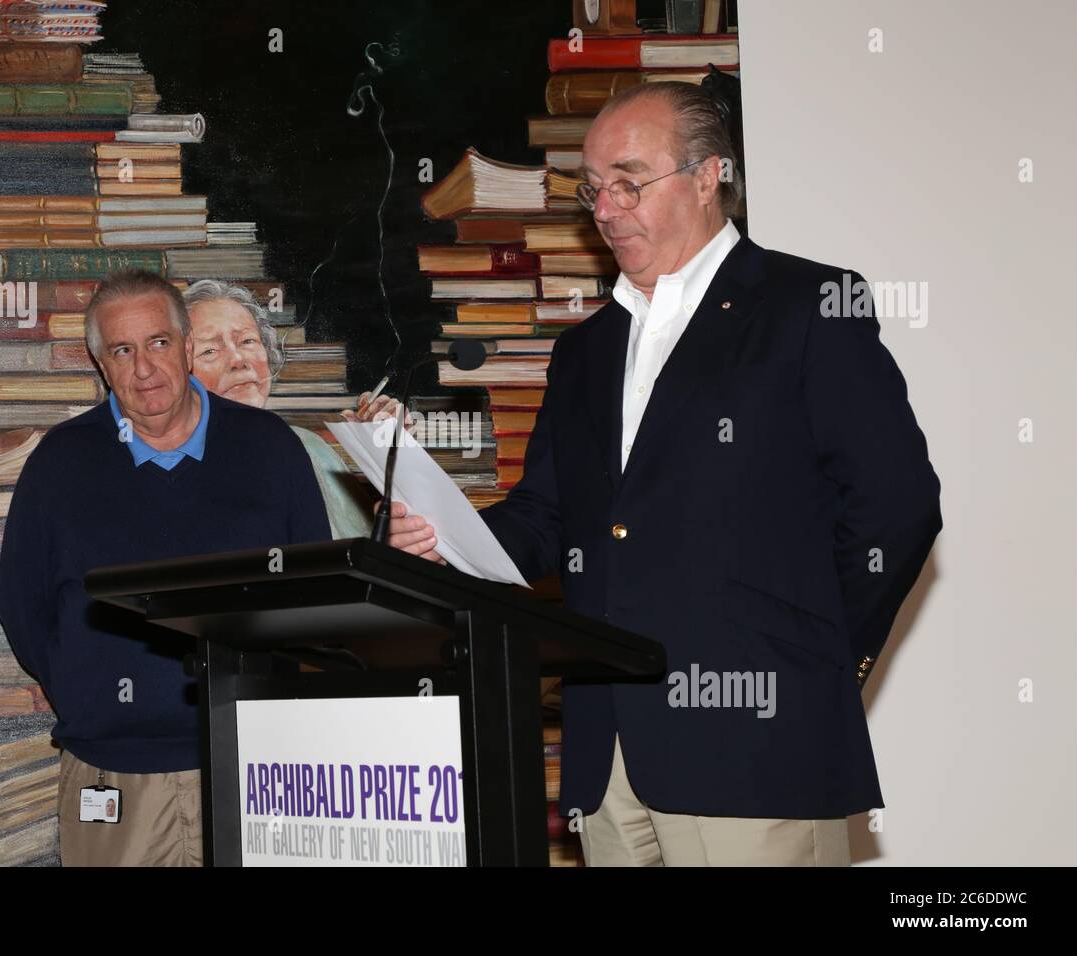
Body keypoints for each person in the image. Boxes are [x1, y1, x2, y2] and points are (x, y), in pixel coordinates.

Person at [387, 82, 942, 866]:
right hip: (605, 758)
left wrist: (815, 659)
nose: (606, 209)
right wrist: (449, 535)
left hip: (757, 749)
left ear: (712, 175)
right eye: (592, 190)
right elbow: (546, 518)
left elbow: (898, 504)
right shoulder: (585, 352)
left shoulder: (809, 303)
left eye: (628, 181)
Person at [0, 269, 330, 866]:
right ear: (101, 364)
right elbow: (24, 608)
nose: (144, 369)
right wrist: (91, 696)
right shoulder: (61, 463)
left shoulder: (270, 448)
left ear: (182, 344)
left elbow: (312, 596)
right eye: (123, 350)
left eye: (157, 343)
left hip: (255, 767)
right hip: (112, 773)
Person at [183, 278, 397, 539]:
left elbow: (368, 558)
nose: (238, 361)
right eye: (209, 351)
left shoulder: (310, 446)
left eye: (248, 341)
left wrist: (389, 457)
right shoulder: (178, 466)